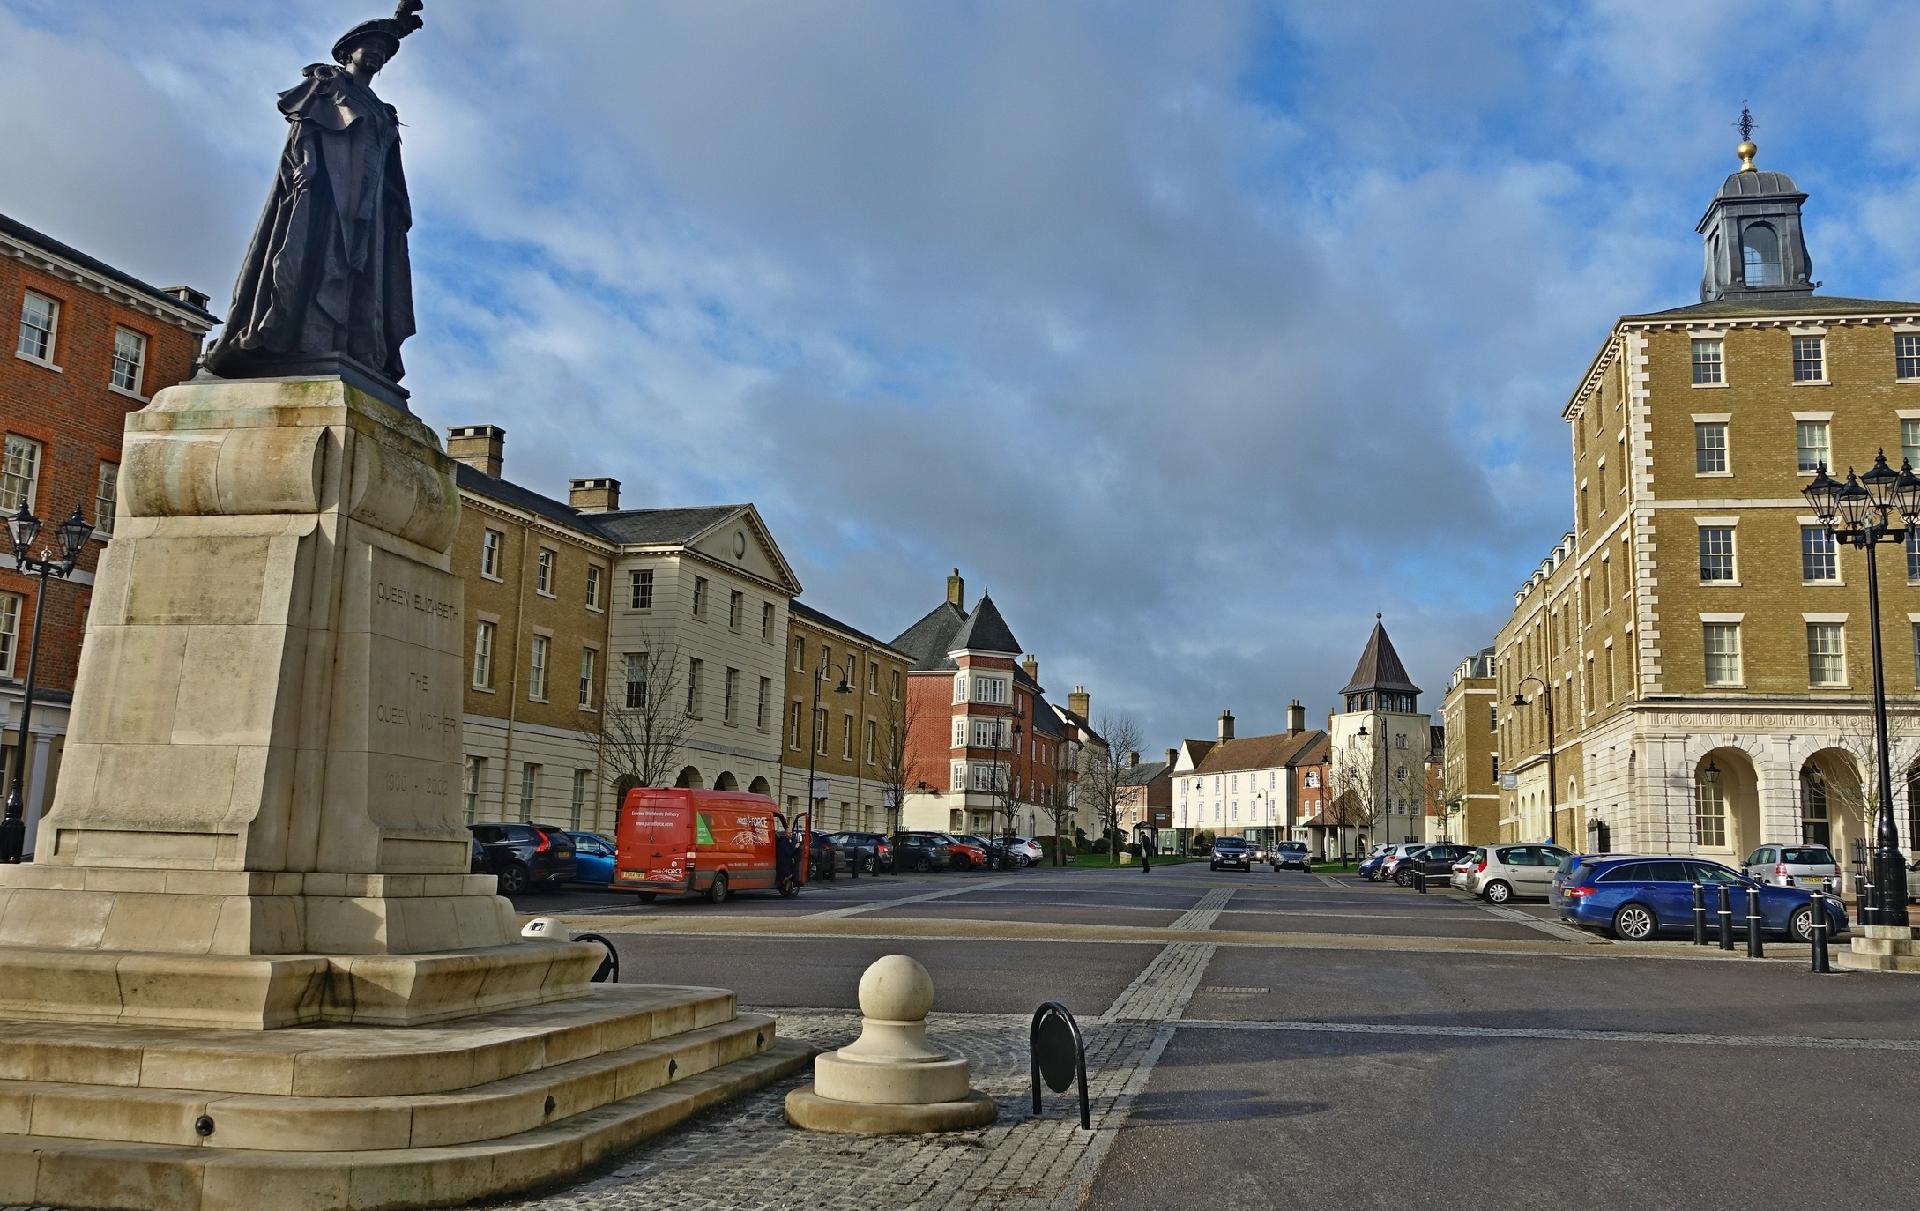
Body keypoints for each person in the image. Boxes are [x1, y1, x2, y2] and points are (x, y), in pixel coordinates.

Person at [204, 1, 425, 393]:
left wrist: (394, 208)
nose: (376, 53)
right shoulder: (328, 85)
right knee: (319, 256)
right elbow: (304, 126)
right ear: (347, 52)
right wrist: (304, 161)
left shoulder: (382, 110)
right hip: (326, 191)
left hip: (369, 205)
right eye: (369, 45)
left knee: (364, 269)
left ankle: (353, 347)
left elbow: (390, 165)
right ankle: (309, 340)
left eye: (384, 50)